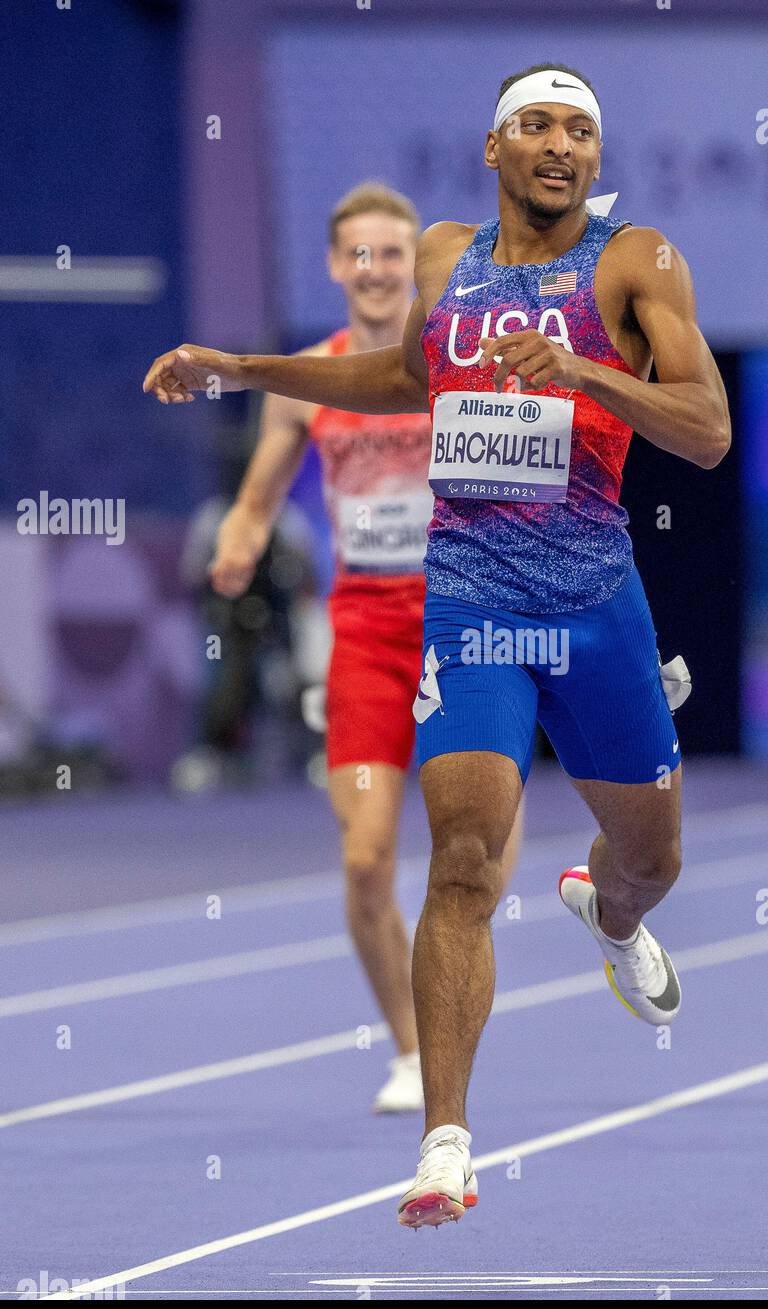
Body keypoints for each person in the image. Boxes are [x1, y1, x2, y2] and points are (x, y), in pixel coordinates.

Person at [144, 64, 731, 1226]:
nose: (561, 145)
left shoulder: (635, 261)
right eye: (538, 126)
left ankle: (607, 913)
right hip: (467, 597)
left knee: (653, 861)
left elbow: (708, 428)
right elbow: (404, 377)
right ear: (493, 148)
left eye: (581, 131)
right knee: (461, 860)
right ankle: (446, 1145)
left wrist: (584, 372)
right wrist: (246, 369)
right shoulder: (444, 258)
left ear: (596, 161)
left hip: (594, 599)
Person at [206, 183, 520, 1113]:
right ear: (339, 267)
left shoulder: (457, 361)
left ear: (418, 266)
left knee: (475, 862)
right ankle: (411, 1048)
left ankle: (453, 1032)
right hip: (368, 636)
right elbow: (261, 496)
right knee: (365, 859)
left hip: (462, 623)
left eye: (395, 253)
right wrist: (239, 535)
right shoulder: (307, 380)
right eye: (362, 255)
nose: (378, 270)